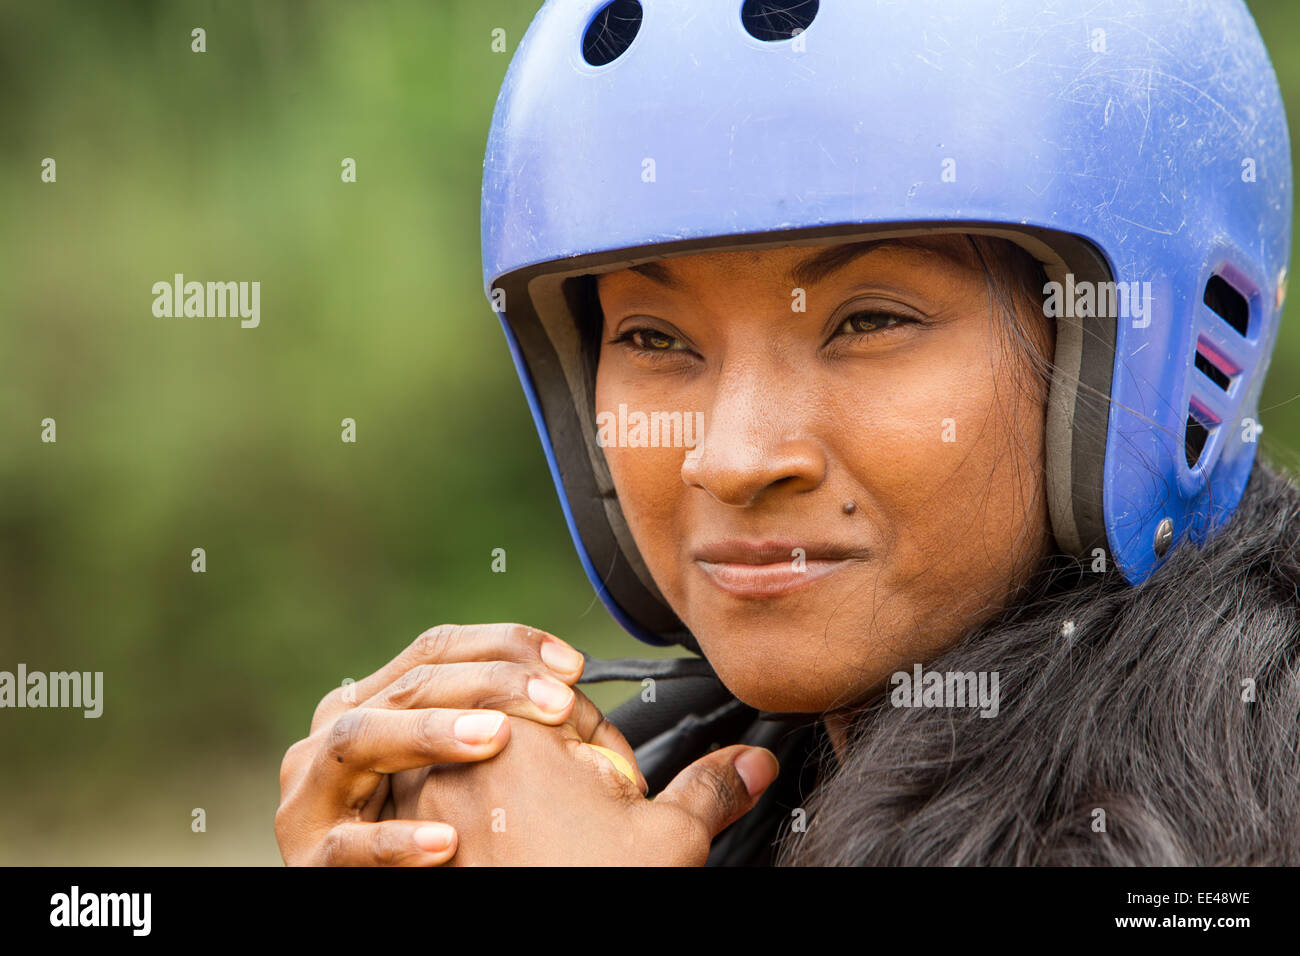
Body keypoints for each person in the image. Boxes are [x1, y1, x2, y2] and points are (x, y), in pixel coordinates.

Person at [276, 0, 1298, 865]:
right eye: (655, 336)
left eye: (869, 321)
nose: (731, 456)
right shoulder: (658, 790)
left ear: (1154, 346)